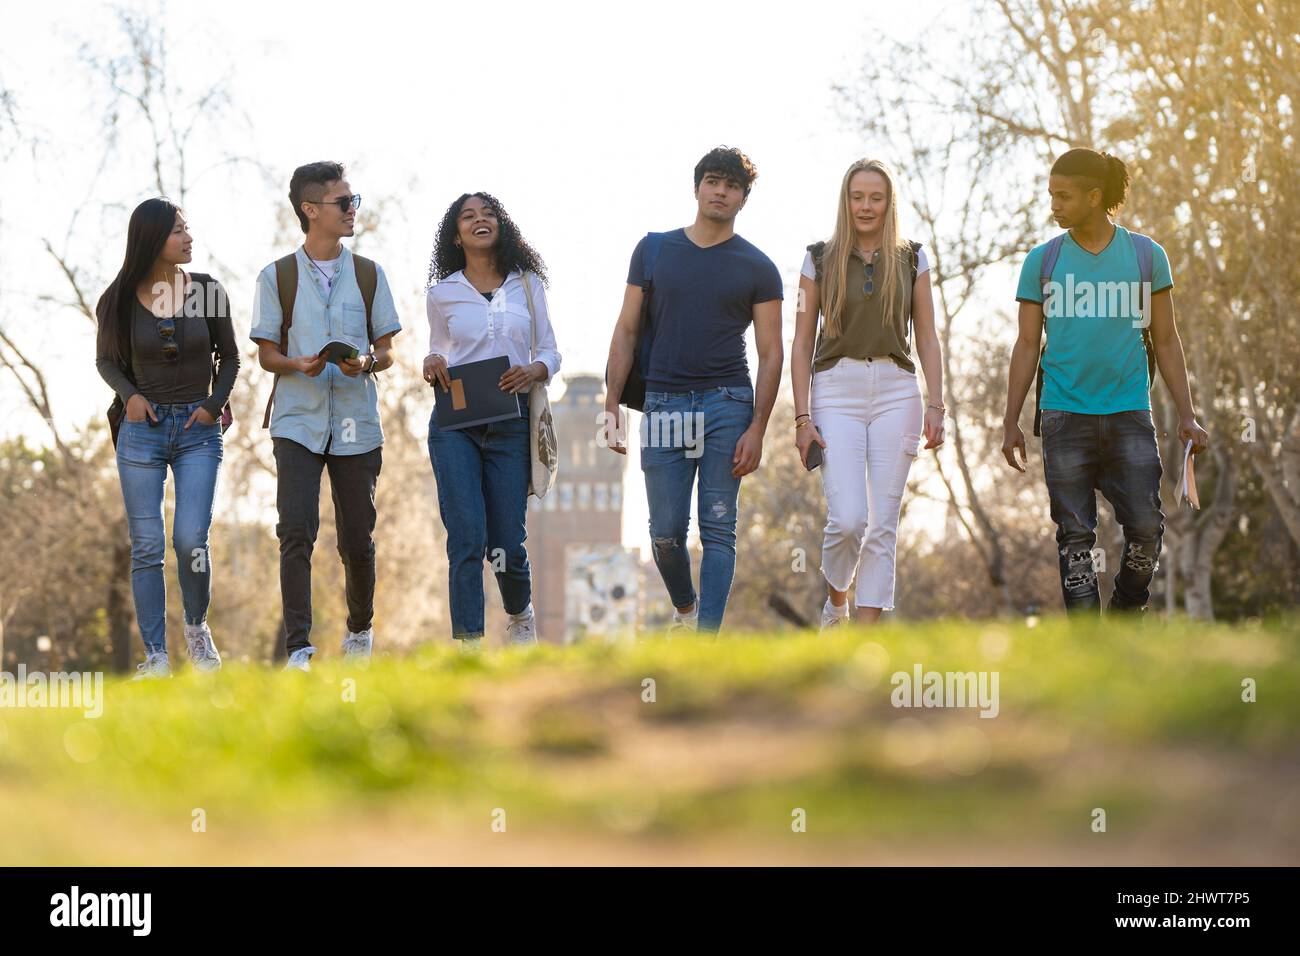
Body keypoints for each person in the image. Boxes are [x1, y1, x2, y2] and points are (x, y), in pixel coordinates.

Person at [1002, 147, 1208, 613]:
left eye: (1063, 196)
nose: (1053, 205)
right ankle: (1086, 642)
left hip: (1129, 415)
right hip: (1062, 416)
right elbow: (1026, 346)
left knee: (1145, 531)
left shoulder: (1145, 256)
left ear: (1095, 196)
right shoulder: (1043, 261)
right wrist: (1010, 421)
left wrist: (1189, 416)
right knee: (1075, 538)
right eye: (1051, 196)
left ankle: (1124, 614)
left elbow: (1168, 339)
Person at [603, 146, 784, 634]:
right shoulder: (654, 249)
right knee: (664, 534)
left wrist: (758, 428)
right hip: (663, 404)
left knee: (719, 529)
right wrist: (612, 405)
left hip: (728, 403)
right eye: (713, 181)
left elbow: (772, 353)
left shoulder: (759, 267)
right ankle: (686, 611)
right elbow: (625, 331)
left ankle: (706, 640)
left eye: (732, 186)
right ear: (697, 187)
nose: (721, 191)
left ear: (744, 198)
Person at [250, 161, 401, 670]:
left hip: (357, 422)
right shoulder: (276, 277)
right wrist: (298, 364)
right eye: (343, 203)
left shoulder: (369, 274)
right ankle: (299, 647)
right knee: (295, 530)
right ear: (310, 210)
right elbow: (266, 353)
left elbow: (388, 350)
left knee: (357, 538)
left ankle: (359, 632)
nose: (353, 210)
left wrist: (369, 362)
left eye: (354, 200)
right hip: (297, 421)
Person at [790, 159, 945, 630]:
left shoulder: (913, 258)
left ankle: (866, 637)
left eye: (876, 197)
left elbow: (928, 336)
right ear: (845, 200)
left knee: (882, 525)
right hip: (835, 390)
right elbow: (799, 343)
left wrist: (937, 404)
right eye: (857, 196)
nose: (866, 206)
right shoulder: (817, 258)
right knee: (850, 518)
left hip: (898, 390)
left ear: (889, 202)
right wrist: (801, 418)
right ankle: (837, 602)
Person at [95, 197, 239, 677]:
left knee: (191, 540)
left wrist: (212, 406)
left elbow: (232, 359)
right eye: (178, 230)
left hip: (199, 431)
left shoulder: (207, 291)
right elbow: (106, 362)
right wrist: (130, 396)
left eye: (187, 228)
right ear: (152, 240)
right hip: (143, 432)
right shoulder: (116, 299)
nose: (188, 237)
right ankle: (156, 655)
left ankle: (197, 631)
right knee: (147, 545)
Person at [423, 192, 561, 650]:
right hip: (456, 422)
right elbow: (440, 347)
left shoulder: (527, 285)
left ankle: (520, 615)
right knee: (466, 536)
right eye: (469, 217)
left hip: (512, 419)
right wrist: (430, 361)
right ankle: (468, 645)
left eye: (488, 214)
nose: (480, 221)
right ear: (456, 235)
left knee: (507, 542)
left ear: (501, 225)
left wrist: (535, 369)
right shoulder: (442, 294)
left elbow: (550, 351)